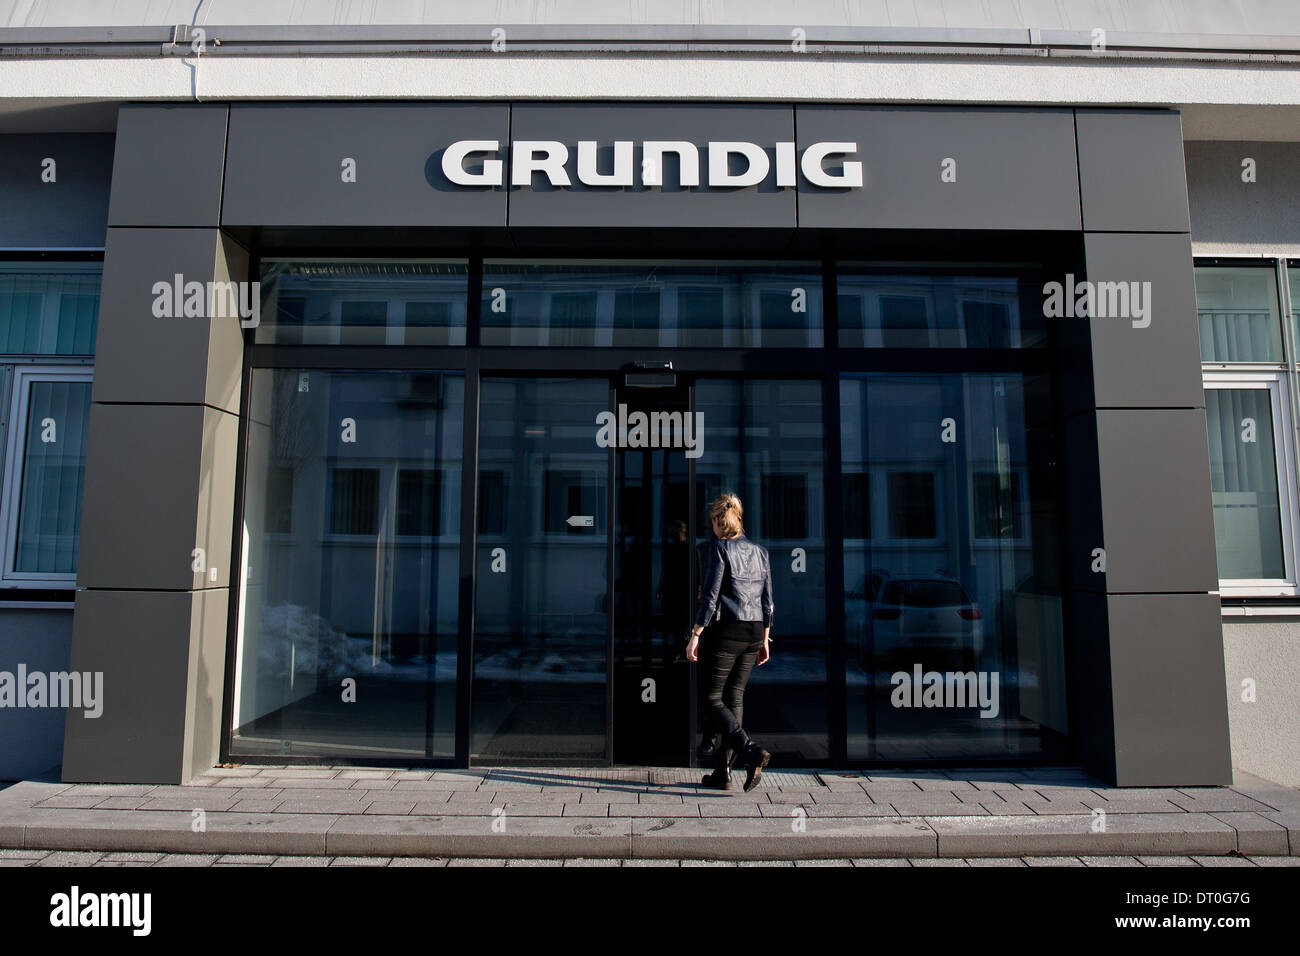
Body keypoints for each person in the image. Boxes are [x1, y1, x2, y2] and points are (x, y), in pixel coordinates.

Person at [685, 492, 774, 792]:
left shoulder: (720, 549)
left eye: (712, 521)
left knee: (711, 697)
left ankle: (750, 750)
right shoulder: (760, 552)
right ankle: (722, 772)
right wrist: (765, 638)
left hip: (728, 630)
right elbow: (768, 601)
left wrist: (695, 634)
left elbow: (711, 596)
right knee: (734, 697)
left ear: (718, 521)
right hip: (754, 632)